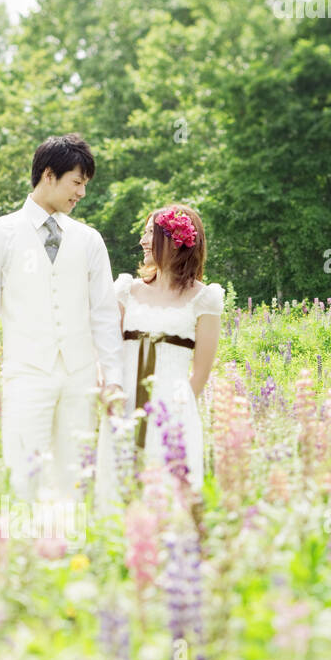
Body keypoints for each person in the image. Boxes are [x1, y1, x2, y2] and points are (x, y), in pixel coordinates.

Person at [0, 134, 124, 501]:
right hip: (26, 375)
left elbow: (103, 314)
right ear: (49, 175)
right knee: (23, 476)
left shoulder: (89, 240)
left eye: (85, 184)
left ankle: (73, 556)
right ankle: (25, 553)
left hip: (80, 376)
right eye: (77, 182)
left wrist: (113, 377)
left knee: (74, 478)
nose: (82, 193)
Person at [99, 203, 223, 500]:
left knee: (167, 493)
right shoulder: (126, 290)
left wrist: (175, 414)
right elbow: (107, 347)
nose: (142, 240)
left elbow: (201, 373)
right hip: (123, 403)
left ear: (175, 240)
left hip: (171, 412)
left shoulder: (205, 299)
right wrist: (109, 388)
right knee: (118, 488)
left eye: (150, 233)